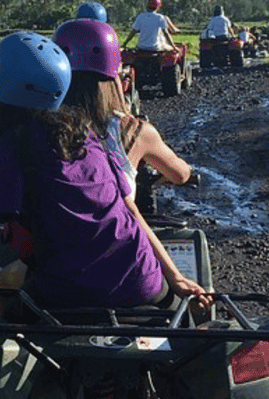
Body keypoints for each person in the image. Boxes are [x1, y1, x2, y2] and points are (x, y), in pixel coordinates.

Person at [0, 31, 211, 315]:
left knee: (4, 290)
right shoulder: (88, 134)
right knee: (191, 322)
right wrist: (175, 276)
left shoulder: (15, 144)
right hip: (141, 280)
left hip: (66, 289)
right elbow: (132, 212)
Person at [52, 19, 206, 302]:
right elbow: (180, 174)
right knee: (182, 304)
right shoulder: (134, 131)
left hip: (55, 266)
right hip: (125, 268)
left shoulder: (43, 129)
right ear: (114, 73)